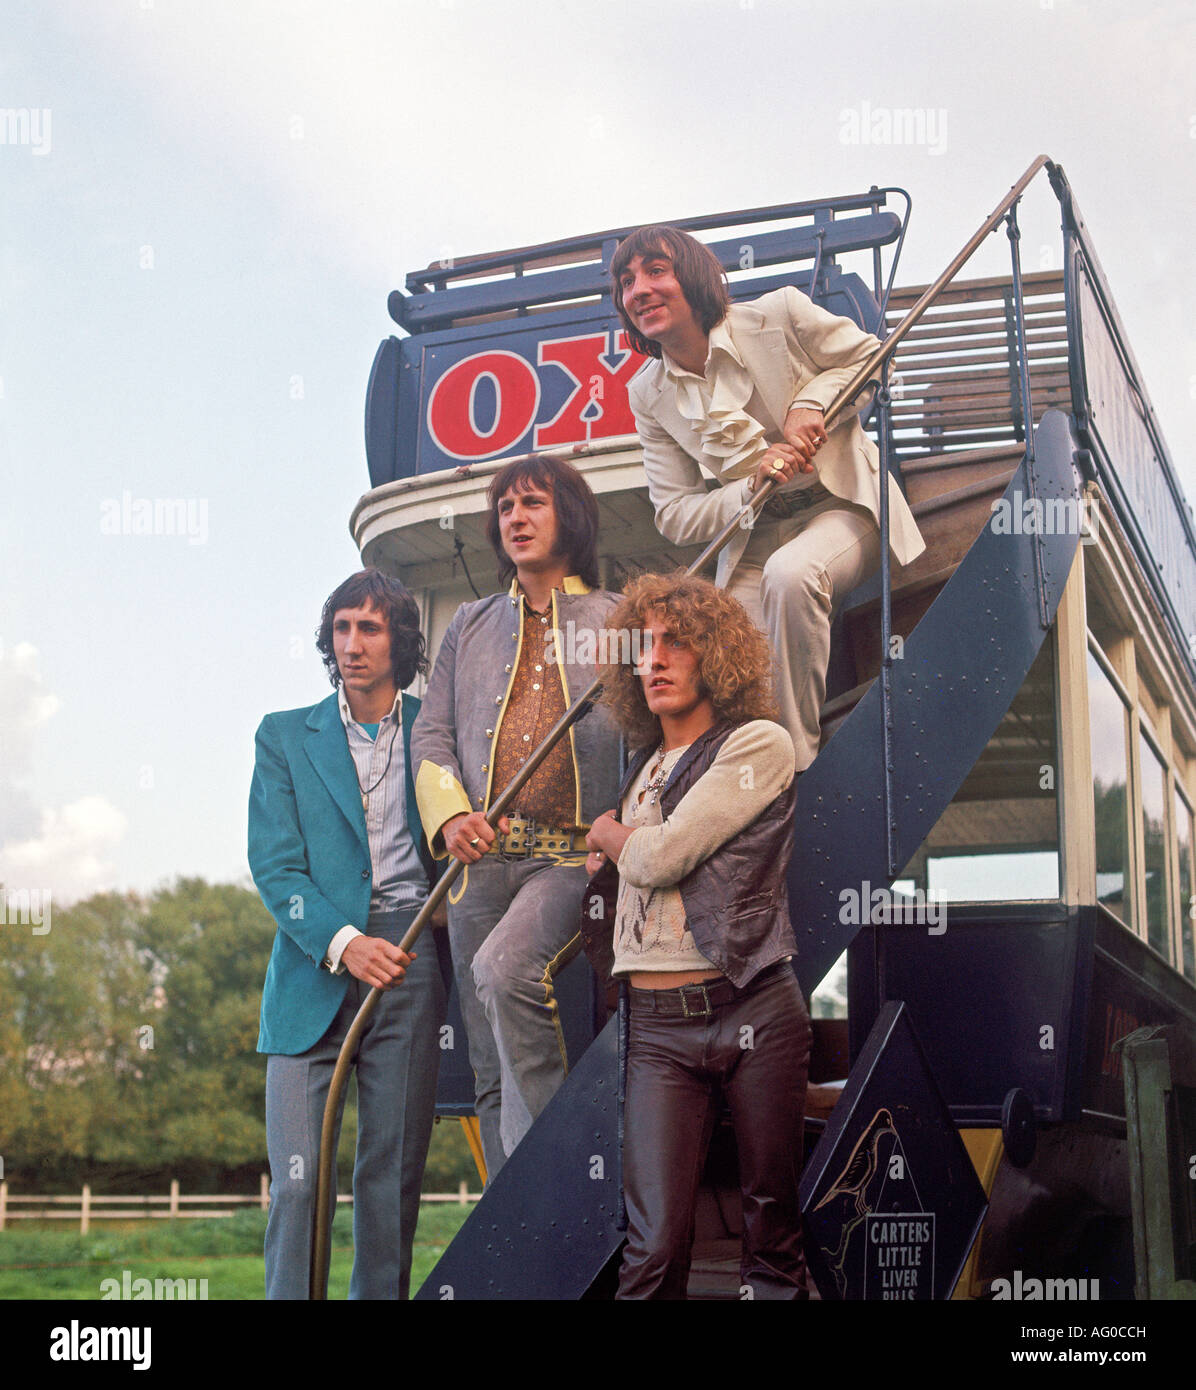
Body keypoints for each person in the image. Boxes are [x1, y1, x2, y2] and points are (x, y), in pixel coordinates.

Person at [610, 225, 925, 770]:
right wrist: (749, 486)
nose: (638, 289)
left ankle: (795, 766)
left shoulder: (778, 312)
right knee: (722, 658)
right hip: (756, 529)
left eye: (655, 271)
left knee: (792, 574)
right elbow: (674, 515)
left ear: (694, 276)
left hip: (844, 505)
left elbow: (878, 358)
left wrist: (813, 402)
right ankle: (725, 784)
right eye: (626, 281)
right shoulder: (647, 392)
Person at [582, 572, 811, 1300]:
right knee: (650, 1251)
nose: (654, 660)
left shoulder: (757, 744)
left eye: (674, 643)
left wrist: (610, 834)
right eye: (642, 648)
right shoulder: (643, 768)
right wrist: (610, 853)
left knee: (771, 1240)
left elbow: (659, 857)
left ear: (716, 654)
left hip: (752, 1008)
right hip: (654, 1028)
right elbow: (633, 875)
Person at [411, 453, 622, 1179]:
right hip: (477, 868)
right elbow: (432, 734)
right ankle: (515, 1240)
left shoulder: (618, 618)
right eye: (506, 509)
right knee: (485, 1069)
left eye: (533, 503)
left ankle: (554, 1189)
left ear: (571, 516)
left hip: (569, 859)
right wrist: (449, 818)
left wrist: (622, 824)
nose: (516, 519)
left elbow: (653, 736)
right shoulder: (468, 624)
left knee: (505, 970)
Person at [249, 569, 446, 1299]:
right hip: (313, 963)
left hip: (410, 951)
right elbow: (275, 866)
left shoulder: (437, 726)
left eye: (370, 627)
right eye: (342, 627)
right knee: (299, 1184)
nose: (353, 643)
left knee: (389, 1179)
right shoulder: (282, 736)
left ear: (400, 638)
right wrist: (341, 942)